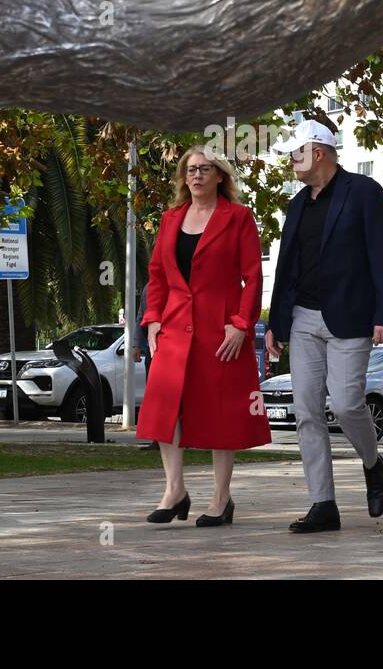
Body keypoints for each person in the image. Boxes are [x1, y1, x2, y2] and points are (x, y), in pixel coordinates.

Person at [267, 120, 383, 533]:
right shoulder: (297, 204)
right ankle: (322, 503)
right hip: (303, 317)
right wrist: (275, 322)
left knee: (345, 404)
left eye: (295, 153)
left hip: (351, 317)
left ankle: (372, 462)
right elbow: (285, 266)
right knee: (307, 411)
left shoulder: (362, 192)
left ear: (318, 152)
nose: (291, 161)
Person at [138, 146, 270, 526]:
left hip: (221, 329)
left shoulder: (239, 217)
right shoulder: (170, 219)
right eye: (190, 169)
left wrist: (242, 323)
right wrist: (152, 320)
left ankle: (220, 499)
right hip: (174, 327)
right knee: (166, 407)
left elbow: (253, 276)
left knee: (222, 411)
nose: (196, 175)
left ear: (220, 177)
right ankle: (174, 490)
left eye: (205, 169)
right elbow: (158, 274)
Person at [132, 281, 157, 450]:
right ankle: (158, 440)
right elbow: (142, 317)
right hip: (154, 351)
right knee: (155, 397)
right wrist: (137, 345)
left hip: (176, 349)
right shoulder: (149, 288)